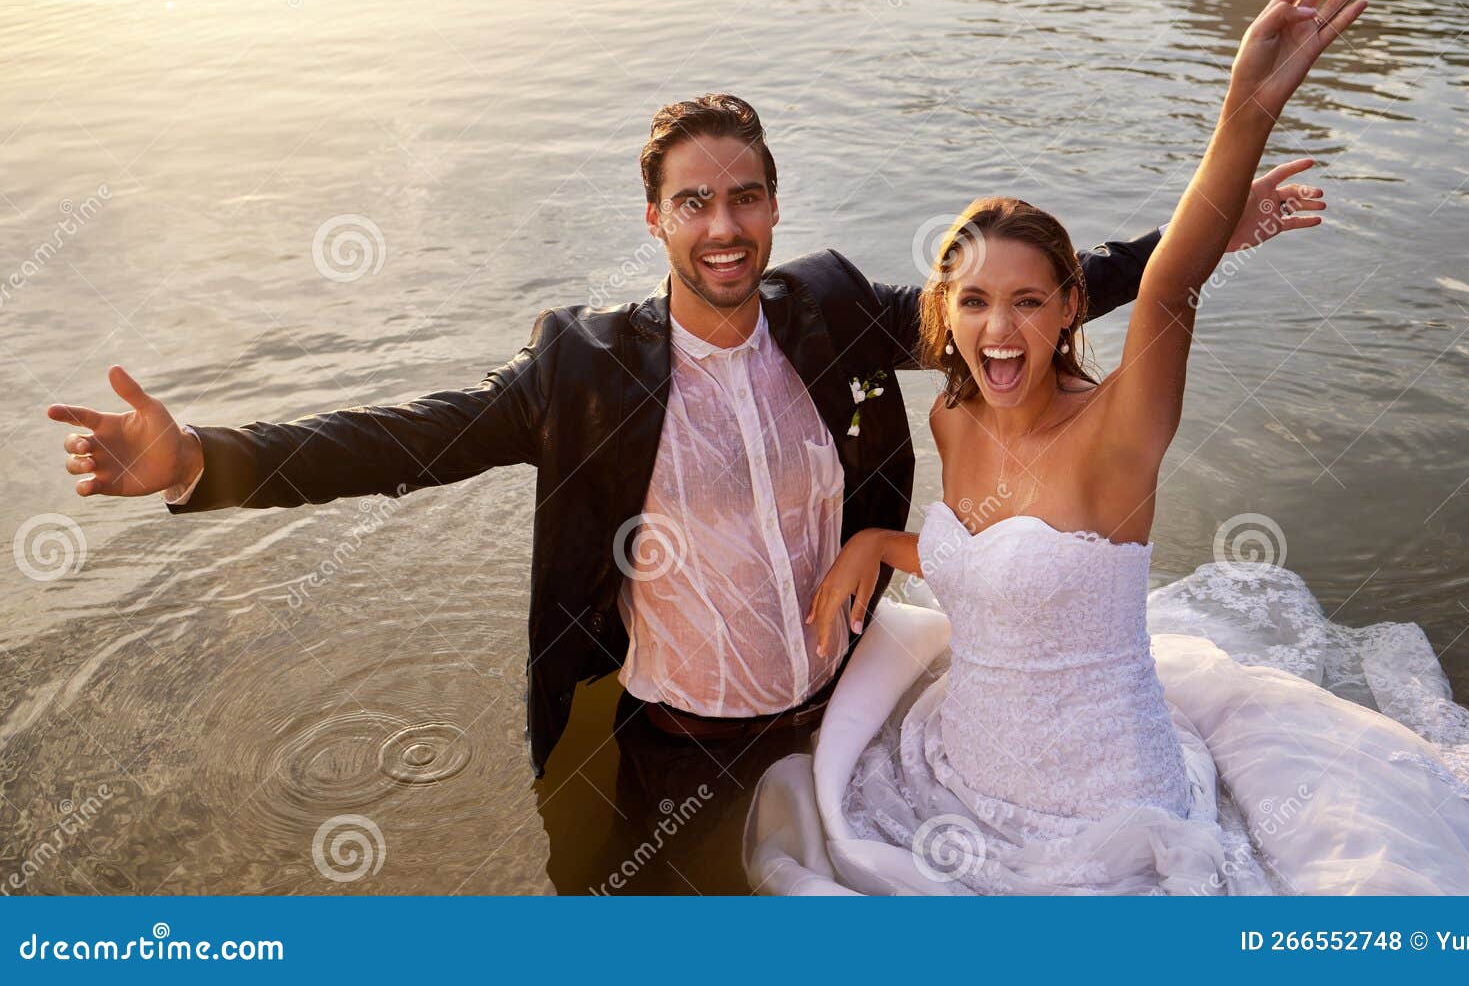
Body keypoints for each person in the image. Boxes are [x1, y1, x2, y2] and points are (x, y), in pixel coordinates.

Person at [46, 93, 1325, 893]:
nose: (725, 227)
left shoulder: (825, 313)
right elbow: (403, 441)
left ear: (774, 209)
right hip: (676, 750)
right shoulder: (584, 369)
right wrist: (202, 460)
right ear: (654, 217)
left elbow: (1011, 304)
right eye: (695, 202)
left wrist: (1202, 238)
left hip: (840, 722)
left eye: (746, 197)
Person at [743, 0, 1469, 896]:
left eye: (1029, 301)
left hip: (1112, 819)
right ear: (947, 314)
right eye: (976, 300)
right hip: (953, 778)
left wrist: (1250, 107)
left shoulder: (1120, 432)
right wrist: (877, 542)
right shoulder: (952, 419)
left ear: (1071, 307)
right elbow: (982, 559)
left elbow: (1169, 283)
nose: (1000, 325)